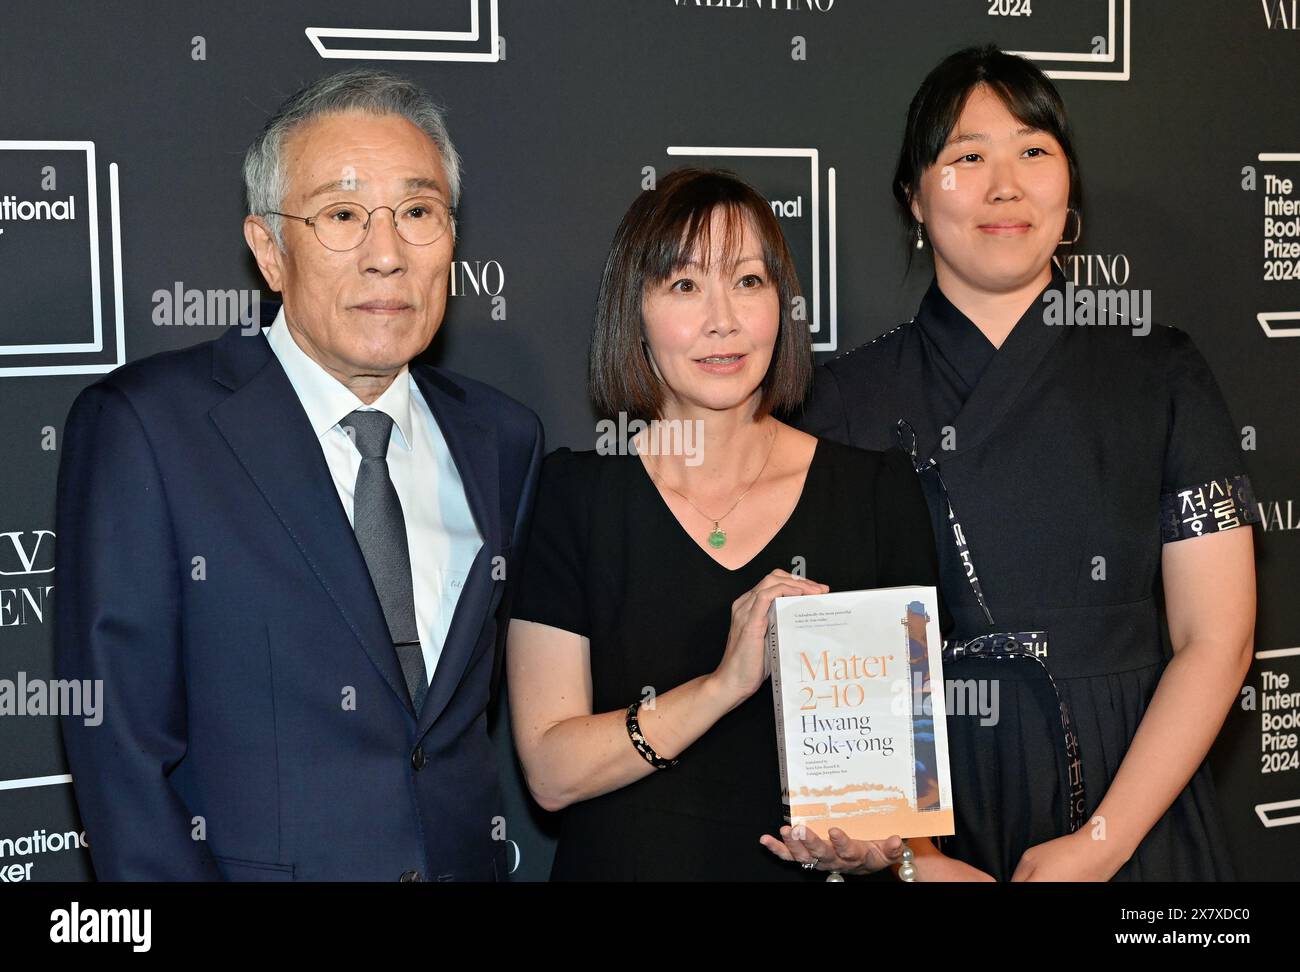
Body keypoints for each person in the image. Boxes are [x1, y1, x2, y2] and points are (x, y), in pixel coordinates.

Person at [55, 68, 543, 881]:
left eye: (418, 213)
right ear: (268, 250)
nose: (387, 255)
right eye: (343, 216)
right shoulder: (148, 429)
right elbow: (123, 764)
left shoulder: (501, 437)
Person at [795, 45, 1257, 881]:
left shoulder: (1162, 371)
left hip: (1136, 804)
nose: (1005, 184)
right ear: (914, 196)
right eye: (967, 157)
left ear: (1069, 185)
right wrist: (915, 860)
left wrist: (1100, 844)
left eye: (1033, 151)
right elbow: (839, 678)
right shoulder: (845, 401)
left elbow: (1216, 637)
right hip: (937, 824)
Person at [507, 167, 943, 881]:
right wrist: (724, 682)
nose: (723, 320)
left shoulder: (876, 493)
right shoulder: (574, 497)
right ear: (635, 312)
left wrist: (883, 850)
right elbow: (552, 772)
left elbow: (898, 799)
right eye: (684, 285)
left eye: (747, 281)